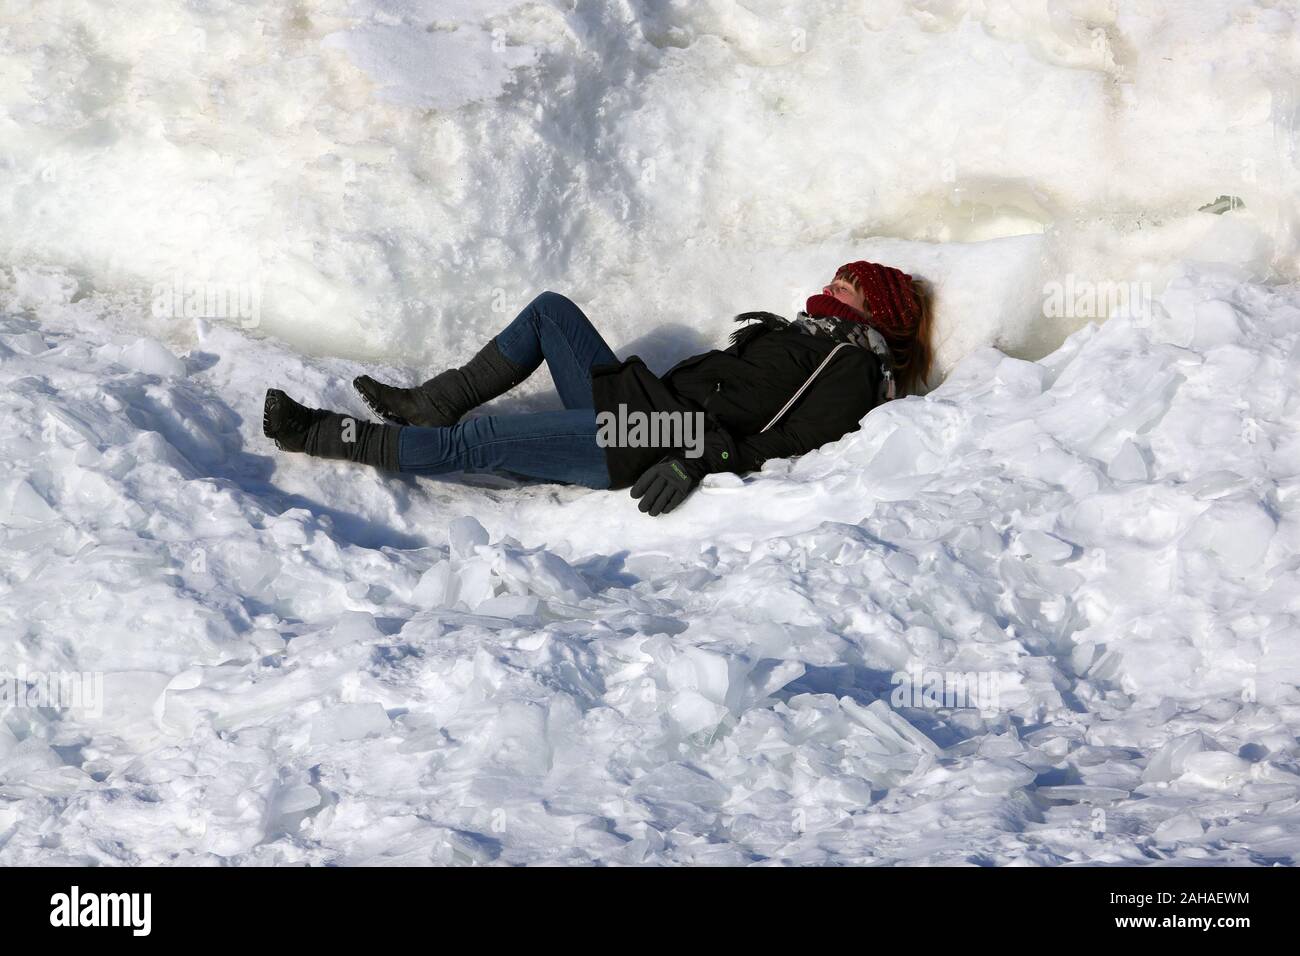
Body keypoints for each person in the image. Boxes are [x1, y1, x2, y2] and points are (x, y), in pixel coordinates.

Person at [262, 260, 933, 516]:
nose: (837, 284)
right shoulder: (804, 335)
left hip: (662, 435)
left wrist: (698, 455)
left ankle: (324, 434)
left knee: (487, 439)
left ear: (878, 309)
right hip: (642, 405)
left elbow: (787, 440)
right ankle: (431, 402)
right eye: (841, 277)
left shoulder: (848, 368)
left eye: (854, 284)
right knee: (553, 310)